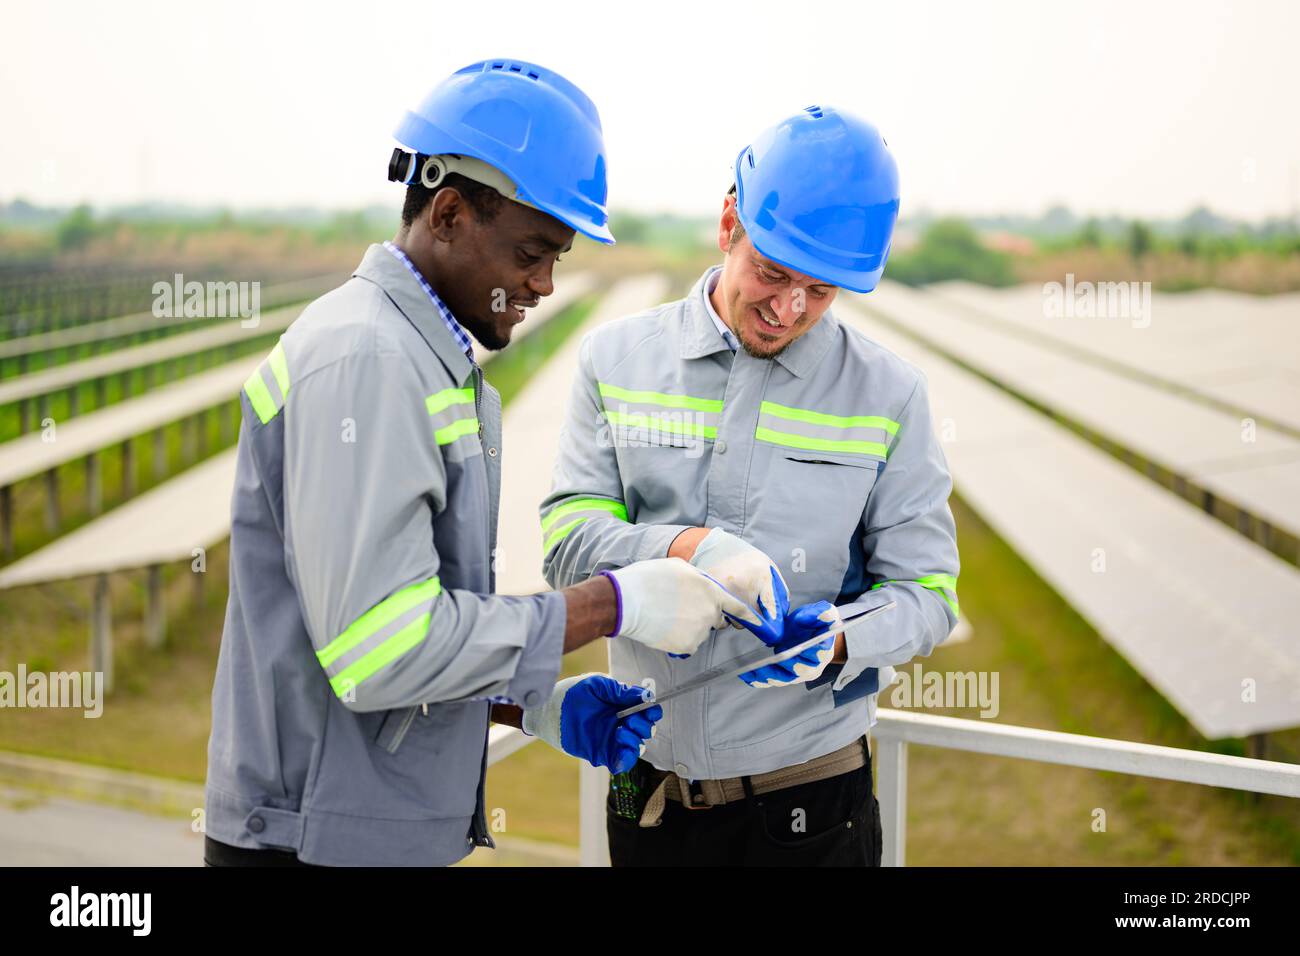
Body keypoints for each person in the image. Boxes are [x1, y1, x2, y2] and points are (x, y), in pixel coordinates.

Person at [202, 59, 751, 868]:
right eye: (533, 251)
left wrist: (526, 703)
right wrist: (610, 605)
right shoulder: (369, 361)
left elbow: (385, 621)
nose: (545, 283)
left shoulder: (418, 360)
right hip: (312, 841)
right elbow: (379, 647)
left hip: (352, 829)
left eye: (557, 256)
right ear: (451, 213)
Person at [541, 105, 960, 866]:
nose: (788, 310)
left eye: (822, 291)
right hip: (646, 795)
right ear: (729, 221)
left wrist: (841, 641)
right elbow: (569, 544)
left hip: (812, 805)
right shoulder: (616, 362)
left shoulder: (889, 396)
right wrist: (690, 548)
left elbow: (929, 594)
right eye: (772, 273)